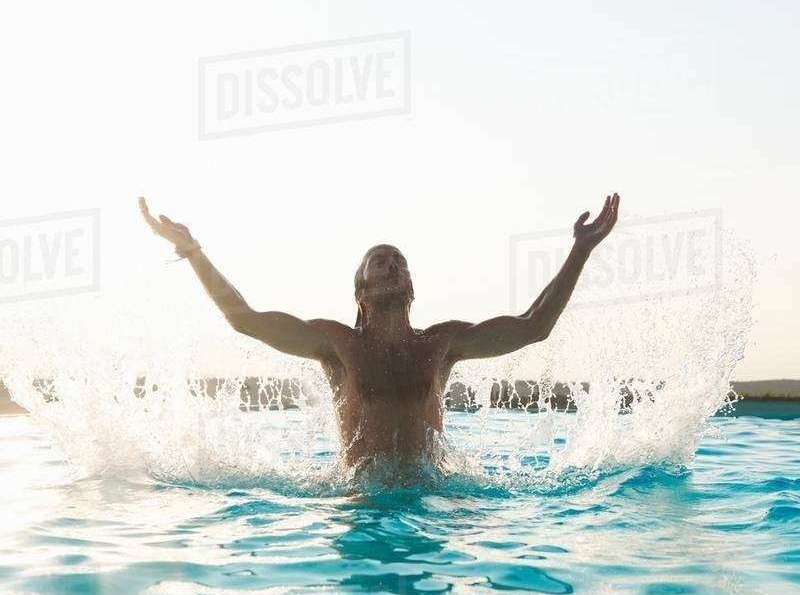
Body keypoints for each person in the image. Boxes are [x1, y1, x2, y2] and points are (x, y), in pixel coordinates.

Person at [139, 194, 620, 470]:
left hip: (432, 498)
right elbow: (244, 318)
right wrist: (193, 252)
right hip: (360, 502)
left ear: (411, 288)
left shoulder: (441, 344)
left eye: (400, 263)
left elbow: (534, 326)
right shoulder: (336, 344)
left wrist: (580, 251)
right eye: (380, 262)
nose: (393, 266)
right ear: (361, 292)